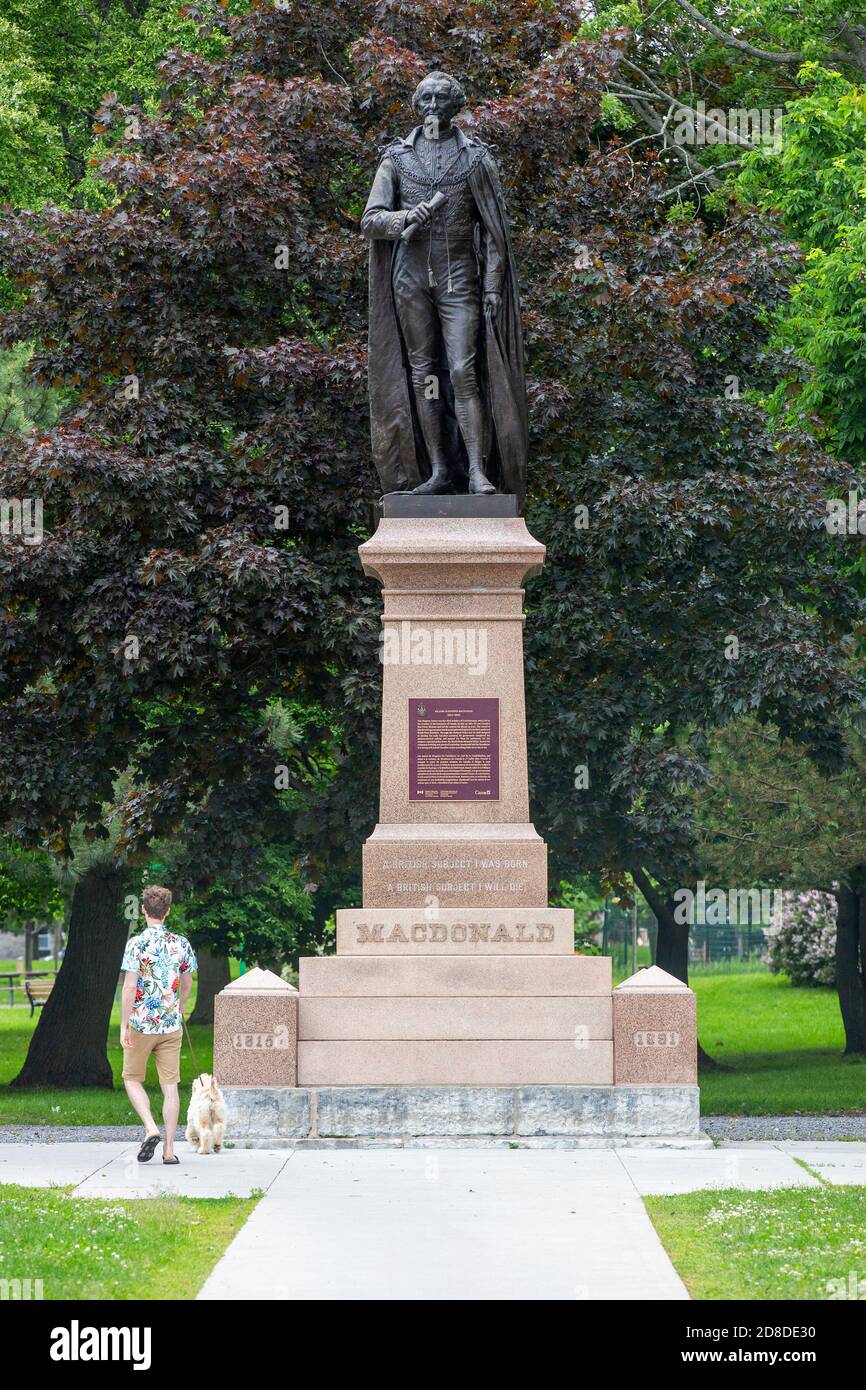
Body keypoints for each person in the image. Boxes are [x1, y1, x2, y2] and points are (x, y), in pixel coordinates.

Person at [362, 70, 527, 501]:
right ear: (417, 106)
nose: (433, 106)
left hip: (459, 279)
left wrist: (492, 287)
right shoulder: (396, 159)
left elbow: (494, 232)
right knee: (423, 374)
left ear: (455, 107)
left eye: (441, 99)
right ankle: (437, 470)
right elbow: (371, 219)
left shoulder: (475, 158)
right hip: (410, 277)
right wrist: (403, 219)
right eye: (426, 99)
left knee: (461, 370)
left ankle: (475, 472)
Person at [120, 885, 197, 1164]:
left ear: (143, 909)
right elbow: (187, 982)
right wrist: (181, 1004)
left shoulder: (136, 944)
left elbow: (129, 988)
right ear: (168, 910)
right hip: (170, 1024)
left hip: (141, 1024)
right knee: (170, 1086)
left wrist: (123, 1025)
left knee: (131, 1078)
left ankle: (150, 1127)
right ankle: (168, 1151)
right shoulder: (182, 944)